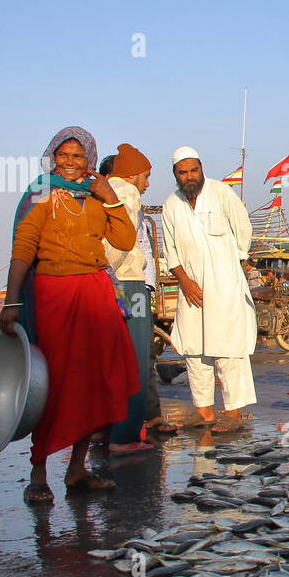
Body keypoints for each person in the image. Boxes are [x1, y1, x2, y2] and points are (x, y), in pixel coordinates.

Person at [1, 127, 141, 504]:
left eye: (78, 157)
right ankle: (38, 472)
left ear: (90, 161)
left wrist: (110, 197)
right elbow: (24, 247)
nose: (69, 162)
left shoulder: (98, 197)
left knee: (93, 380)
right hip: (54, 293)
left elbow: (126, 241)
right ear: (51, 156)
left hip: (95, 292)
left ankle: (77, 469)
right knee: (56, 382)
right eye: (63, 155)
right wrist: (11, 301)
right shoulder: (41, 194)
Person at [161, 146, 257, 433]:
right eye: (183, 172)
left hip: (225, 285)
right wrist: (185, 282)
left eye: (194, 170)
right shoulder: (171, 205)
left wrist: (232, 266)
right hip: (190, 288)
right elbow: (171, 251)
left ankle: (233, 414)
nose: (189, 176)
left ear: (201, 169)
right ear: (175, 175)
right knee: (194, 349)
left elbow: (243, 231)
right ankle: (204, 411)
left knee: (229, 349)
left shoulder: (221, 193)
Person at [103, 144, 156, 454]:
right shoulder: (128, 193)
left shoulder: (103, 189)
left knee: (110, 359)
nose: (147, 184)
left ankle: (104, 428)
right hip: (128, 283)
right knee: (134, 360)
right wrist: (109, 274)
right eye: (146, 177)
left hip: (107, 283)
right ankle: (125, 437)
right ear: (135, 175)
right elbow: (120, 242)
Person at [138, 210, 176, 435]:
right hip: (130, 287)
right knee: (141, 354)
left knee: (145, 354)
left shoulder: (142, 219)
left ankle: (150, 415)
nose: (147, 183)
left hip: (142, 289)